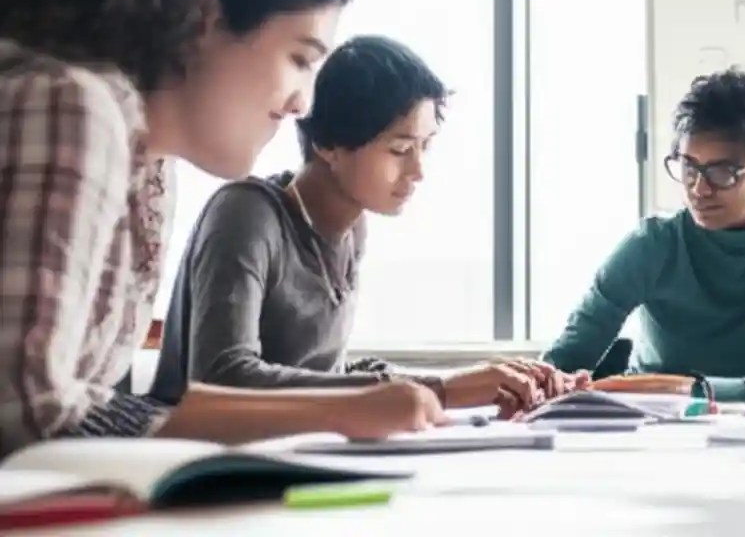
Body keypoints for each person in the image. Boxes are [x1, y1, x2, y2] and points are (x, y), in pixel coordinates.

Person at [0, 0, 441, 459]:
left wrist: (345, 404)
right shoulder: (76, 103)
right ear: (205, 19)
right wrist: (339, 408)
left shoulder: (150, 168)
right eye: (299, 59)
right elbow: (27, 408)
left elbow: (85, 401)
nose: (303, 104)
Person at [150, 35, 579, 414]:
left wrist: (477, 381)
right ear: (327, 144)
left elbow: (323, 373)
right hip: (189, 454)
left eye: (425, 146)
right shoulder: (246, 213)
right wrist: (439, 390)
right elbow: (222, 379)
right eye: (399, 149)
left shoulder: (351, 229)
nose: (418, 171)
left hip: (293, 448)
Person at [542, 68, 745, 407]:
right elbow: (560, 365)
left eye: (723, 173)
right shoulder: (651, 244)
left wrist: (693, 391)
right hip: (653, 426)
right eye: (689, 167)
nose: (698, 189)